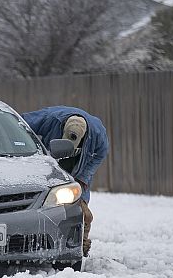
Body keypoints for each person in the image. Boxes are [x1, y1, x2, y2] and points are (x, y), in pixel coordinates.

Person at [21, 106, 109, 257]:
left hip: (78, 174)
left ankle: (79, 245)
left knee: (84, 215)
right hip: (49, 171)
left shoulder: (97, 132)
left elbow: (101, 153)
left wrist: (83, 178)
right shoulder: (50, 119)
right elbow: (19, 124)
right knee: (45, 209)